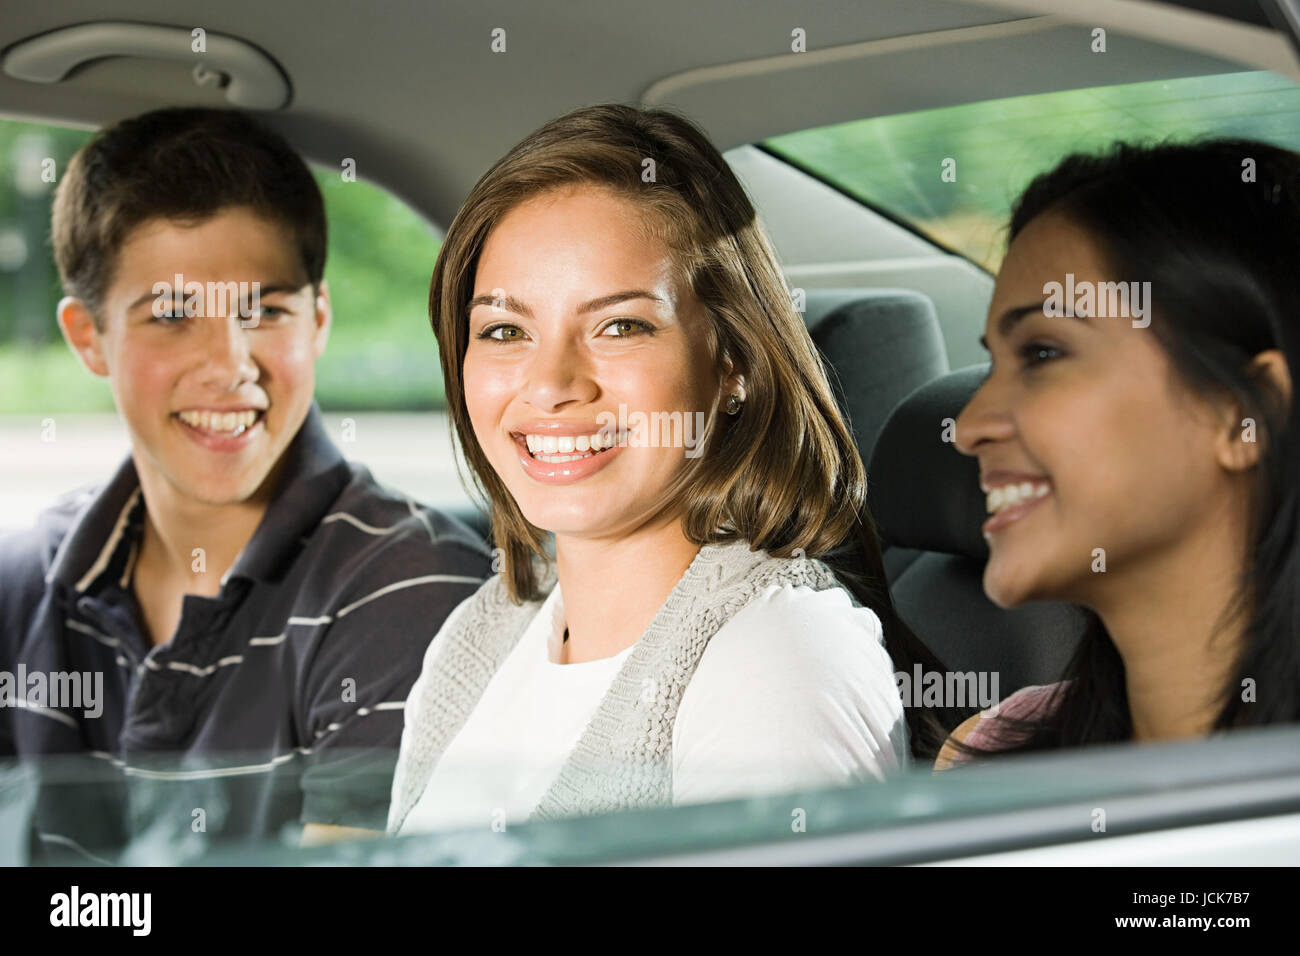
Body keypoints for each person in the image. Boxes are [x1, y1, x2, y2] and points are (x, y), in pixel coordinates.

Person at [386, 103, 957, 836]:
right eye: (504, 331)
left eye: (619, 325)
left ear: (733, 364)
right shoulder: (483, 634)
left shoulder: (775, 658)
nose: (551, 383)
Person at [0, 108, 492, 854]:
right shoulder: (22, 584)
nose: (230, 365)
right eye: (172, 315)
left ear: (318, 320)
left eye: (263, 310)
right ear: (88, 339)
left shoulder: (407, 591)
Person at [936, 139, 1298, 768]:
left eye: (1043, 353)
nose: (968, 426)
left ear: (1243, 411)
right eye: (993, 362)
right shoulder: (989, 755)